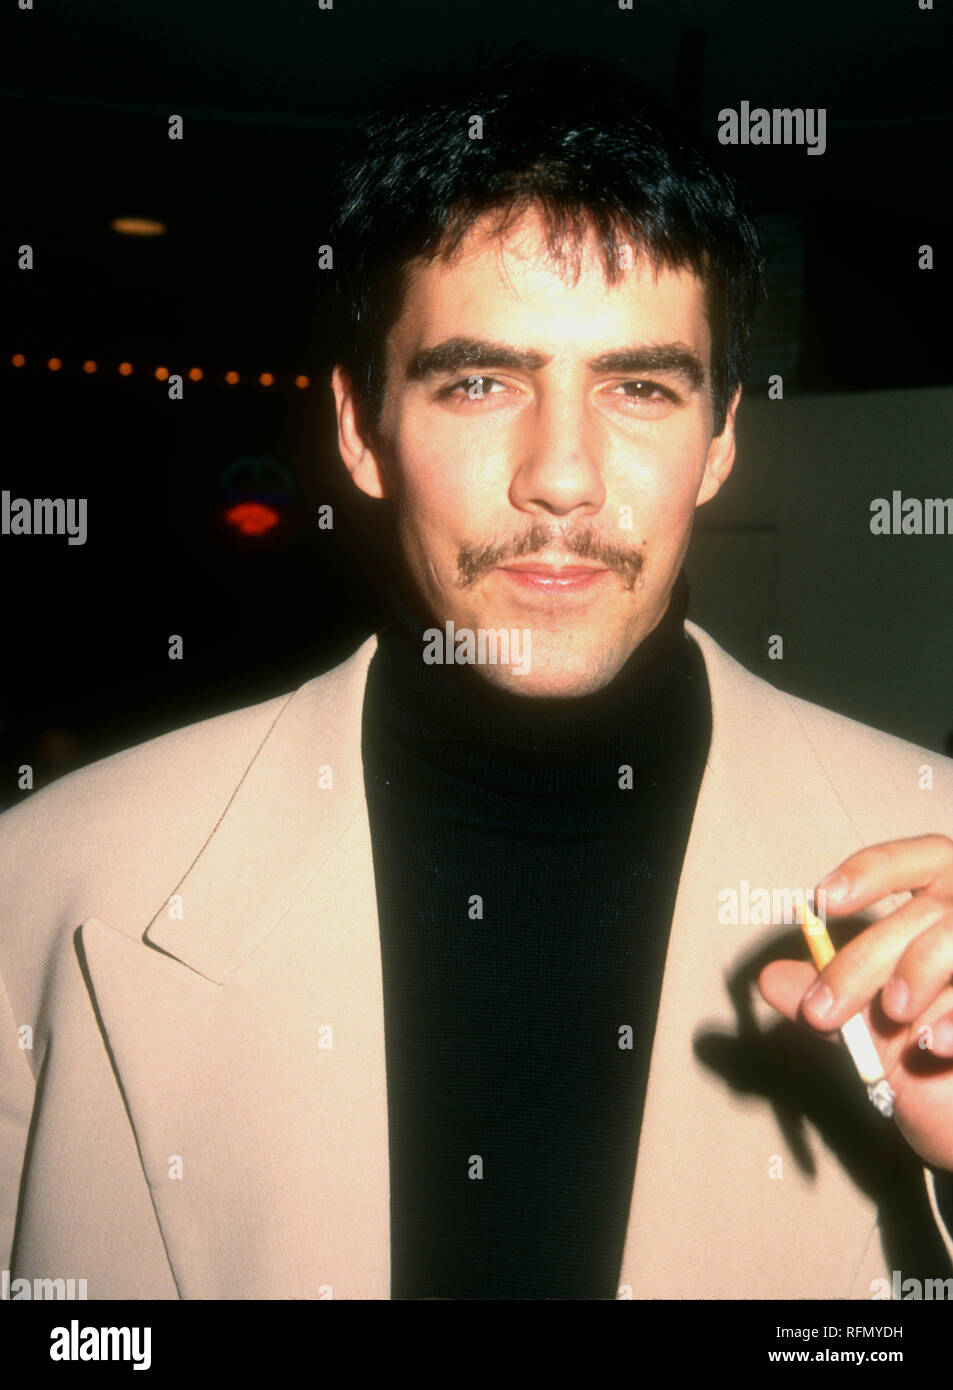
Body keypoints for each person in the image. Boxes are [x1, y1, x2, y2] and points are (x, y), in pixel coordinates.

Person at [1, 53, 951, 1302]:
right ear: (359, 428)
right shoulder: (46, 883)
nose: (559, 476)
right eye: (480, 381)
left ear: (719, 440)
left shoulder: (928, 849)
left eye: (639, 386)